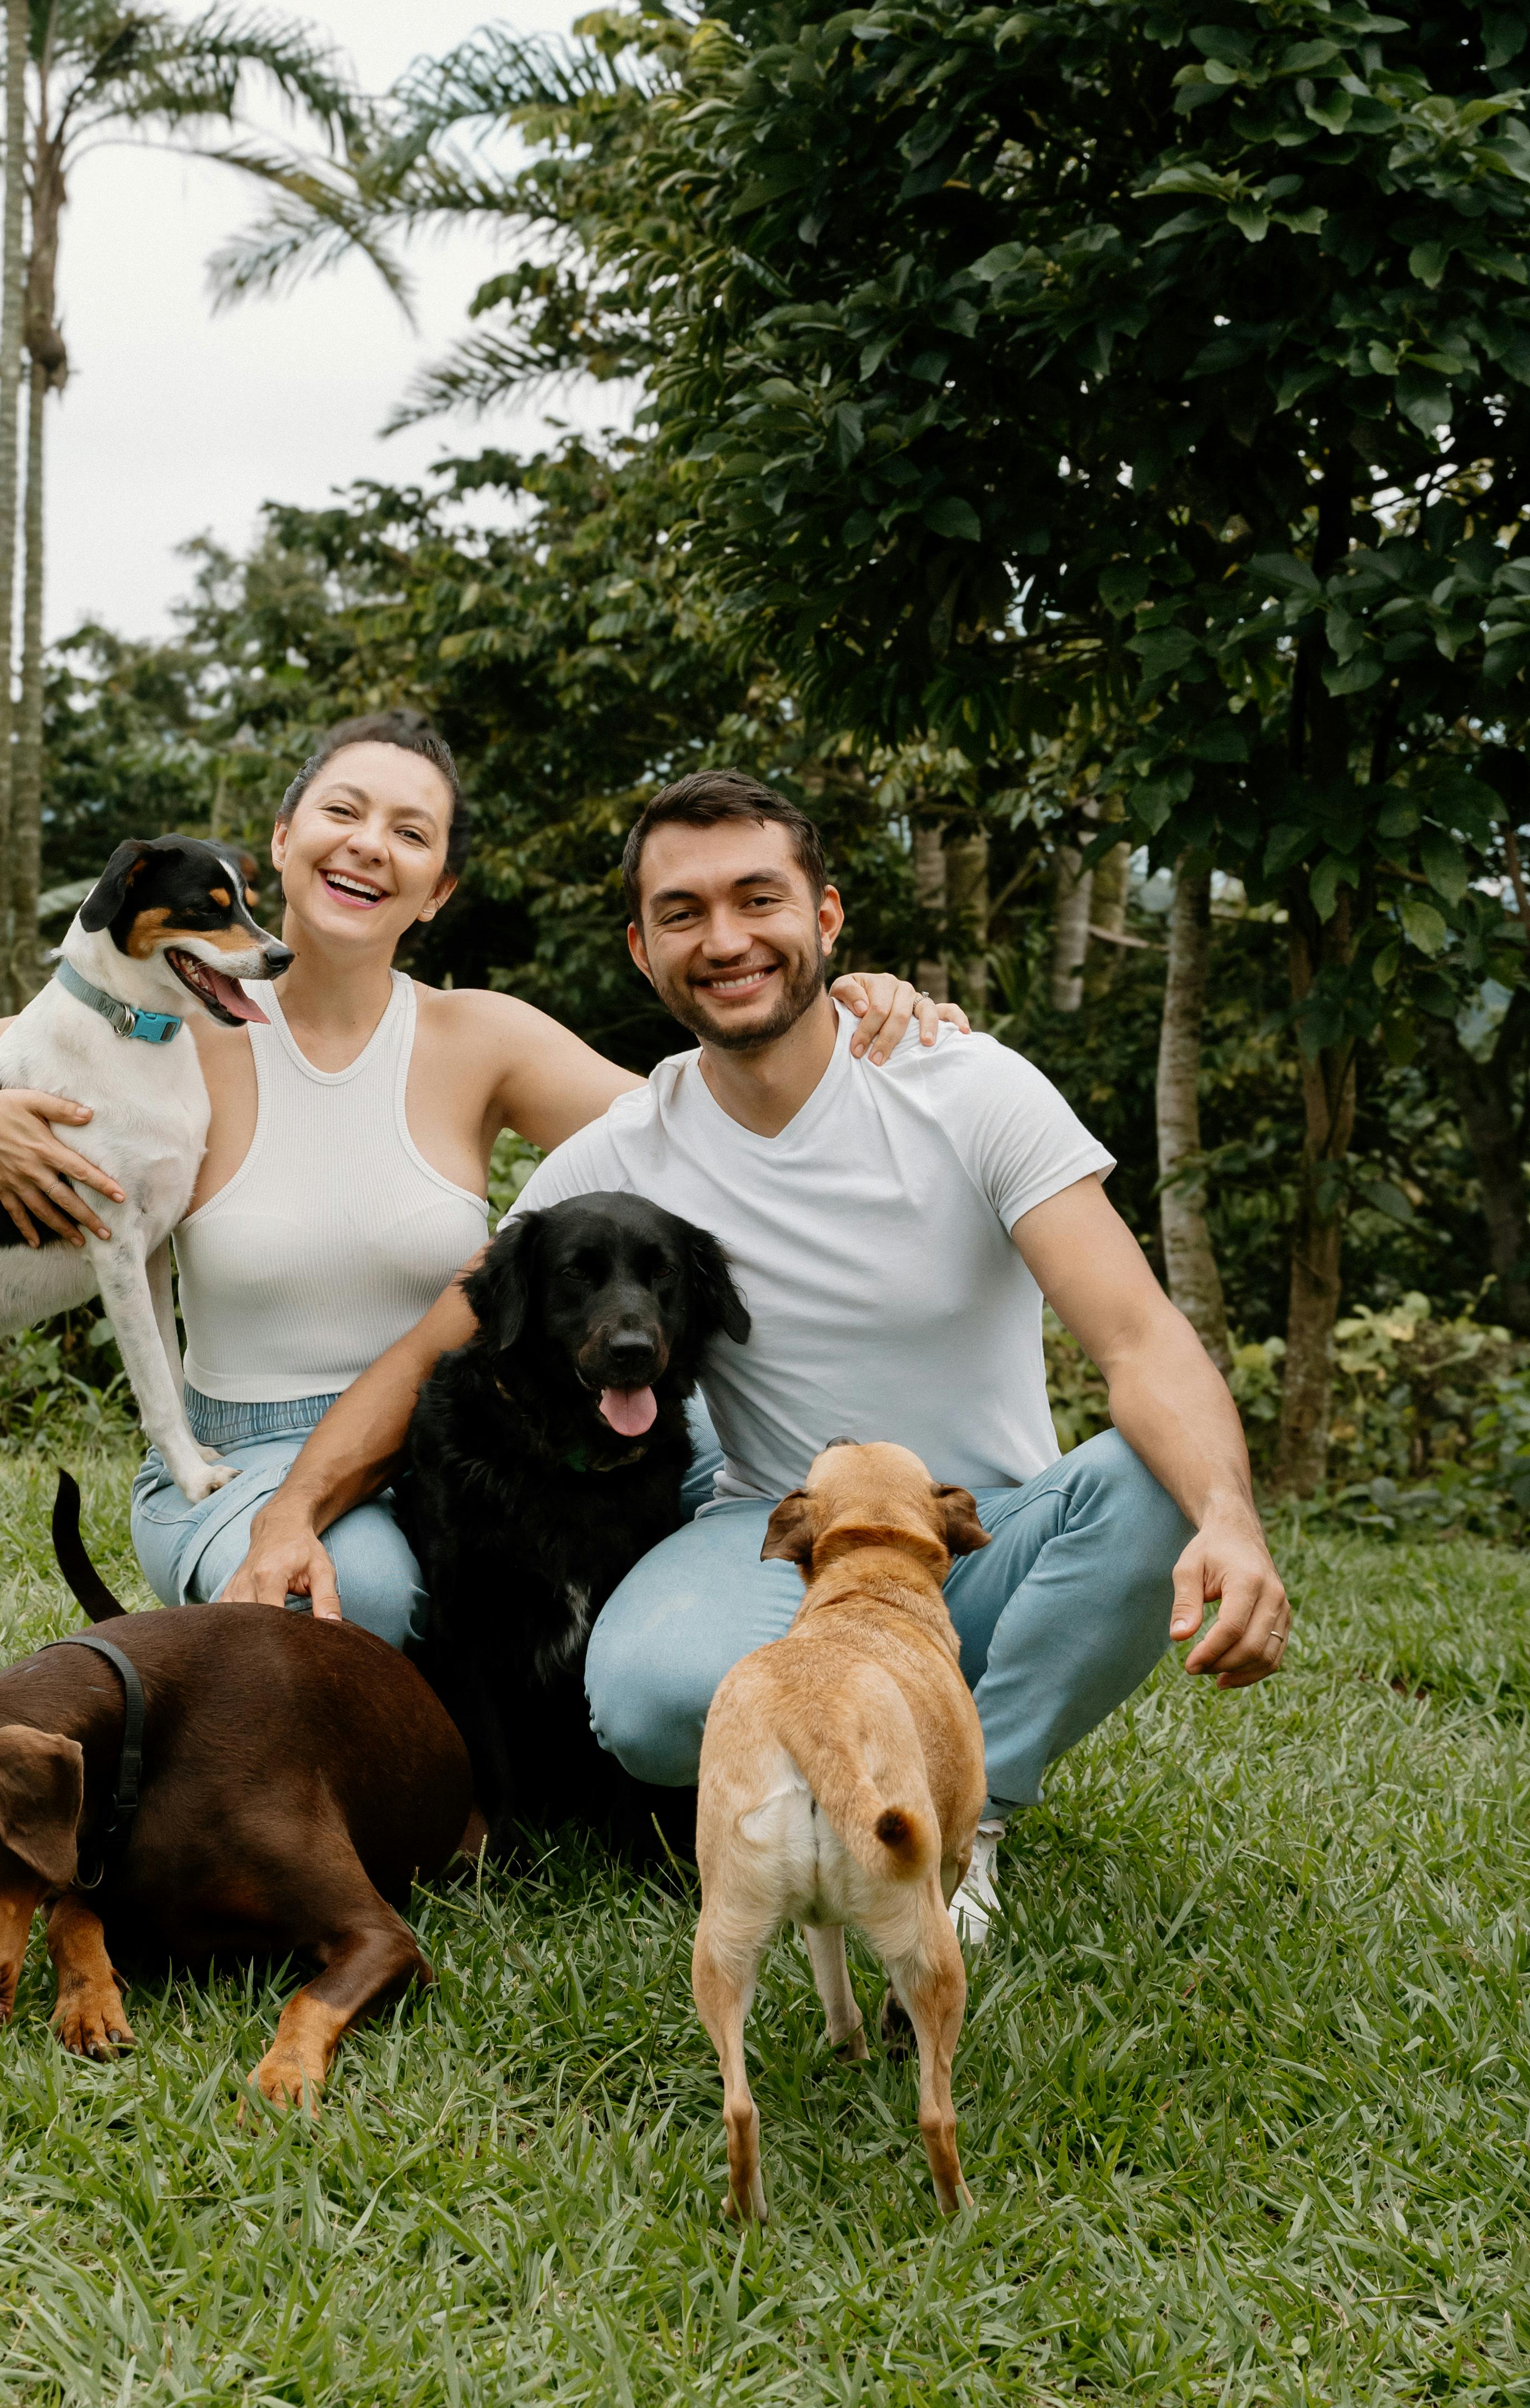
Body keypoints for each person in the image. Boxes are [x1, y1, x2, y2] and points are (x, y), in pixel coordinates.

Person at [224, 768, 1293, 1940]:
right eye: (682, 914)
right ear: (642, 950)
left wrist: (1229, 1521)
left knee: (1153, 1485)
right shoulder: (625, 1153)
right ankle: (842, 1769)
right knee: (643, 1702)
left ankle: (970, 1817)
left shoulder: (970, 1089)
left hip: (978, 1536)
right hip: (775, 1540)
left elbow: (1138, 1339)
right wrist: (290, 1514)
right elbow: (430, 1351)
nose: (724, 939)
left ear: (824, 918)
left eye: (757, 900)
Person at [0, 716, 960, 1651]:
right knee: (363, 1604)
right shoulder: (174, 1032)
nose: (370, 845)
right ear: (282, 841)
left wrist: (847, 1001)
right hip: (254, 1455)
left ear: (439, 889)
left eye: (411, 833)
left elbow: (708, 1114)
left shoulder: (479, 1036)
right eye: (343, 812)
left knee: (755, 1503)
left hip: (481, 1436)